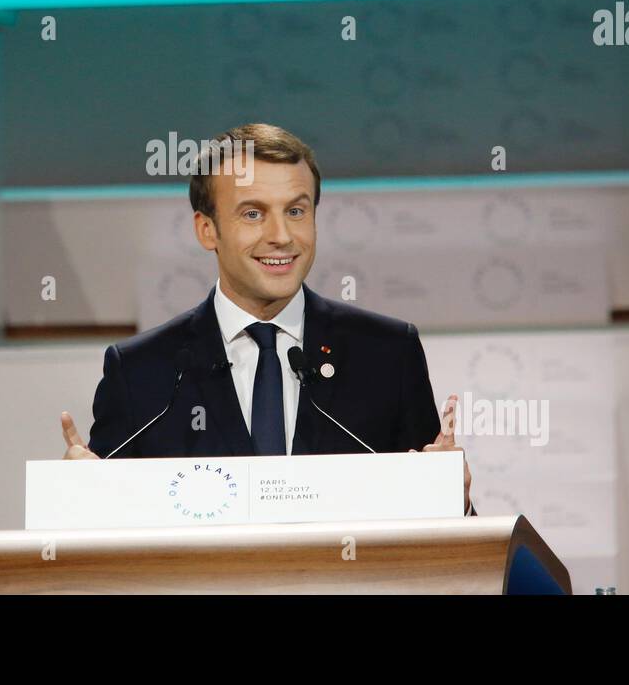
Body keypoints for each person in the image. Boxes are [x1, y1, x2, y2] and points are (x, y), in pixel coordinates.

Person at [59, 123, 474, 514]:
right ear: (207, 230)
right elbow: (104, 543)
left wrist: (455, 501)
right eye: (253, 214)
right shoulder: (140, 372)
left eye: (296, 211)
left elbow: (445, 550)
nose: (281, 235)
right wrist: (79, 502)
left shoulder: (386, 354)